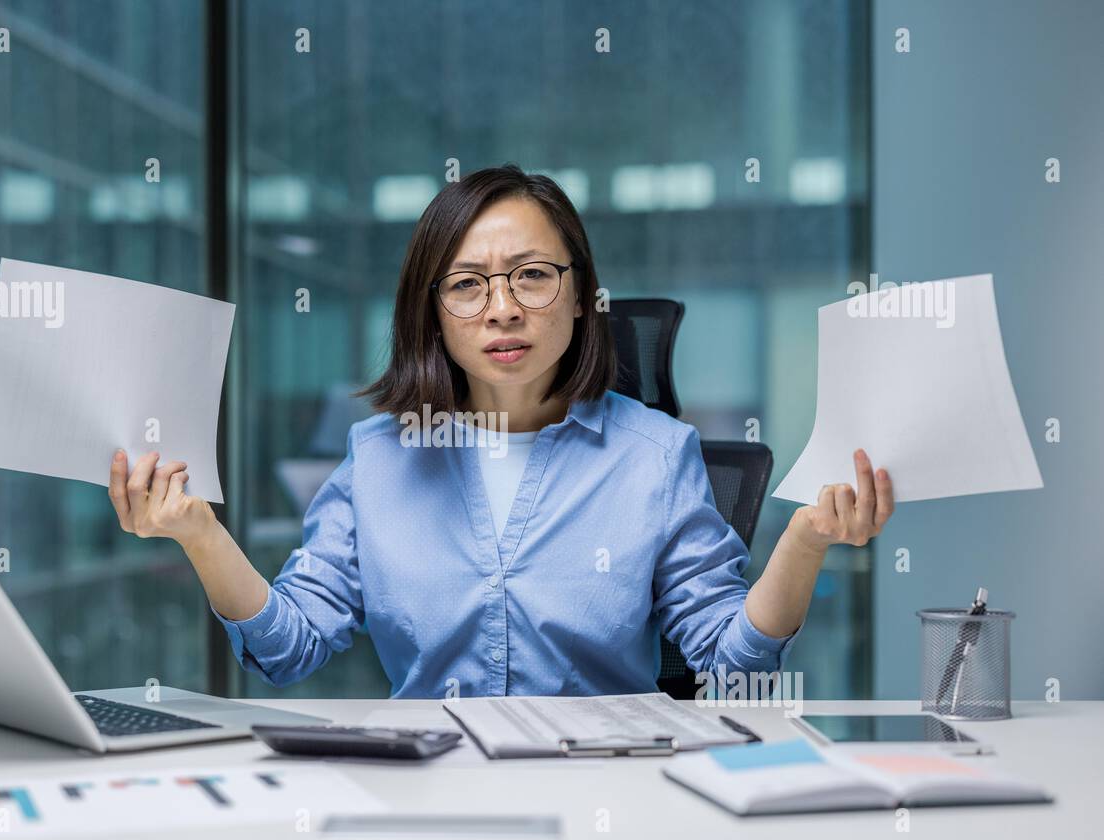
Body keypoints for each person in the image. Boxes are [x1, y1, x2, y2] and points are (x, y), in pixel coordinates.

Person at [108, 164, 894, 698]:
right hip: (429, 803)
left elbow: (729, 665)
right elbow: (286, 647)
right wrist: (200, 534)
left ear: (582, 294)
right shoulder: (380, 458)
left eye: (532, 275)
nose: (503, 308)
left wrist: (804, 541)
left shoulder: (656, 457)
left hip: (606, 802)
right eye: (467, 285)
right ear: (433, 313)